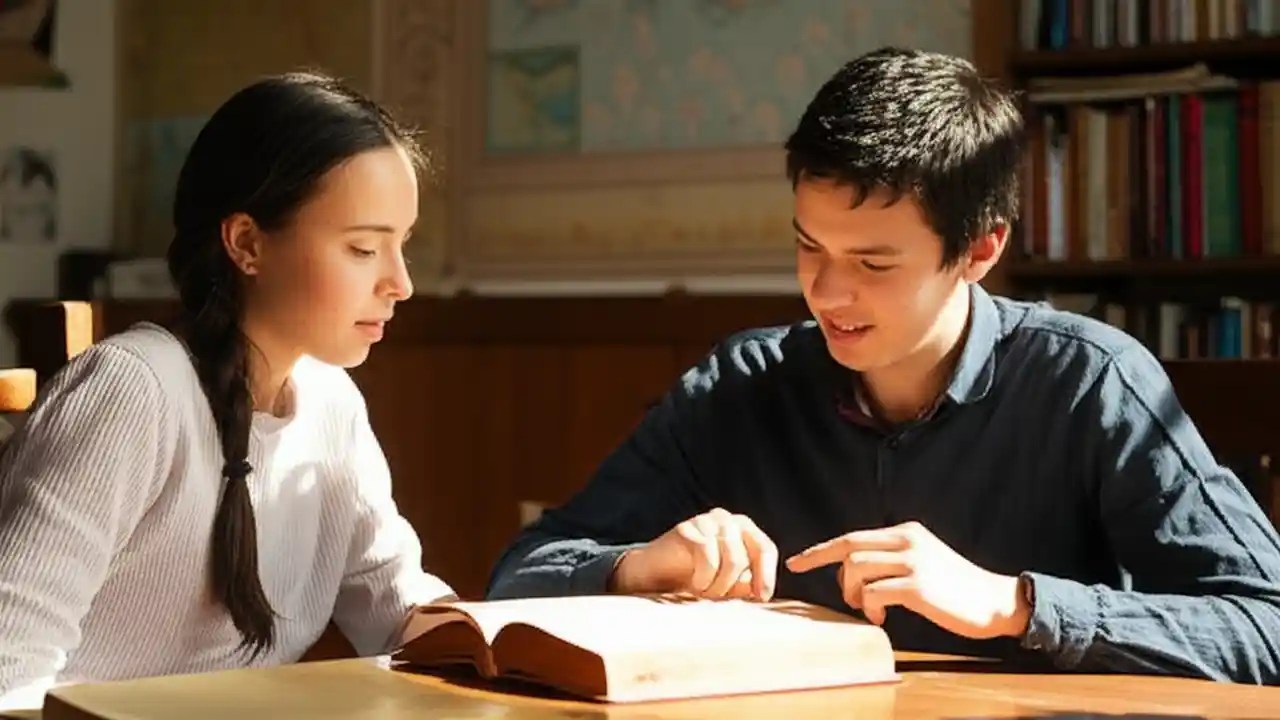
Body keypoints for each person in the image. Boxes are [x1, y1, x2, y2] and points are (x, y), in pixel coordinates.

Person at [485, 47, 1280, 684]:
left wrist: (1016, 604)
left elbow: (1266, 623)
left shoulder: (1090, 382)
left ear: (979, 249)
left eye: (873, 262)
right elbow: (516, 577)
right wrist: (637, 568)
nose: (828, 293)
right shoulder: (741, 385)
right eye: (808, 246)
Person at [0, 71, 455, 710]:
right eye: (362, 248)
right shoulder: (135, 393)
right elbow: (7, 663)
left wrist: (527, 645)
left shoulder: (331, 405)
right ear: (247, 244)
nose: (400, 283)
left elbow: (395, 604)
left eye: (400, 246)